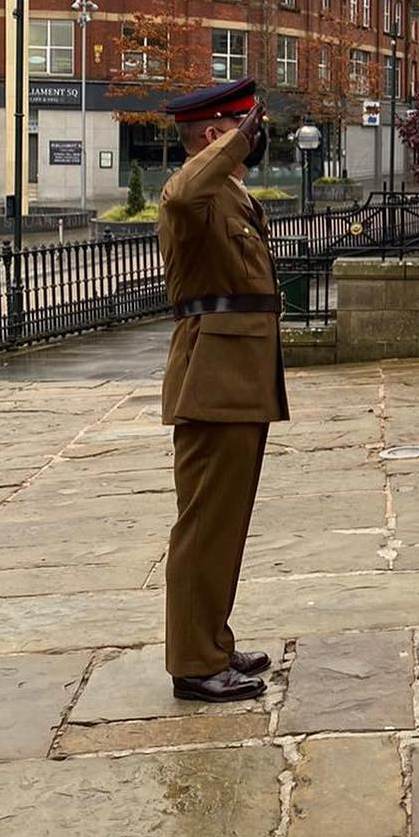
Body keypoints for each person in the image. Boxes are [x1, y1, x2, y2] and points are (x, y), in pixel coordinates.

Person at [158, 77, 288, 702]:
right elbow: (182, 193)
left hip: (238, 377)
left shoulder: (229, 194)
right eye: (245, 132)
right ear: (215, 135)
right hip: (213, 378)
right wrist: (232, 147)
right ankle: (193, 662)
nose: (254, 142)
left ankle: (212, 640)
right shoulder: (195, 191)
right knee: (206, 522)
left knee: (226, 522)